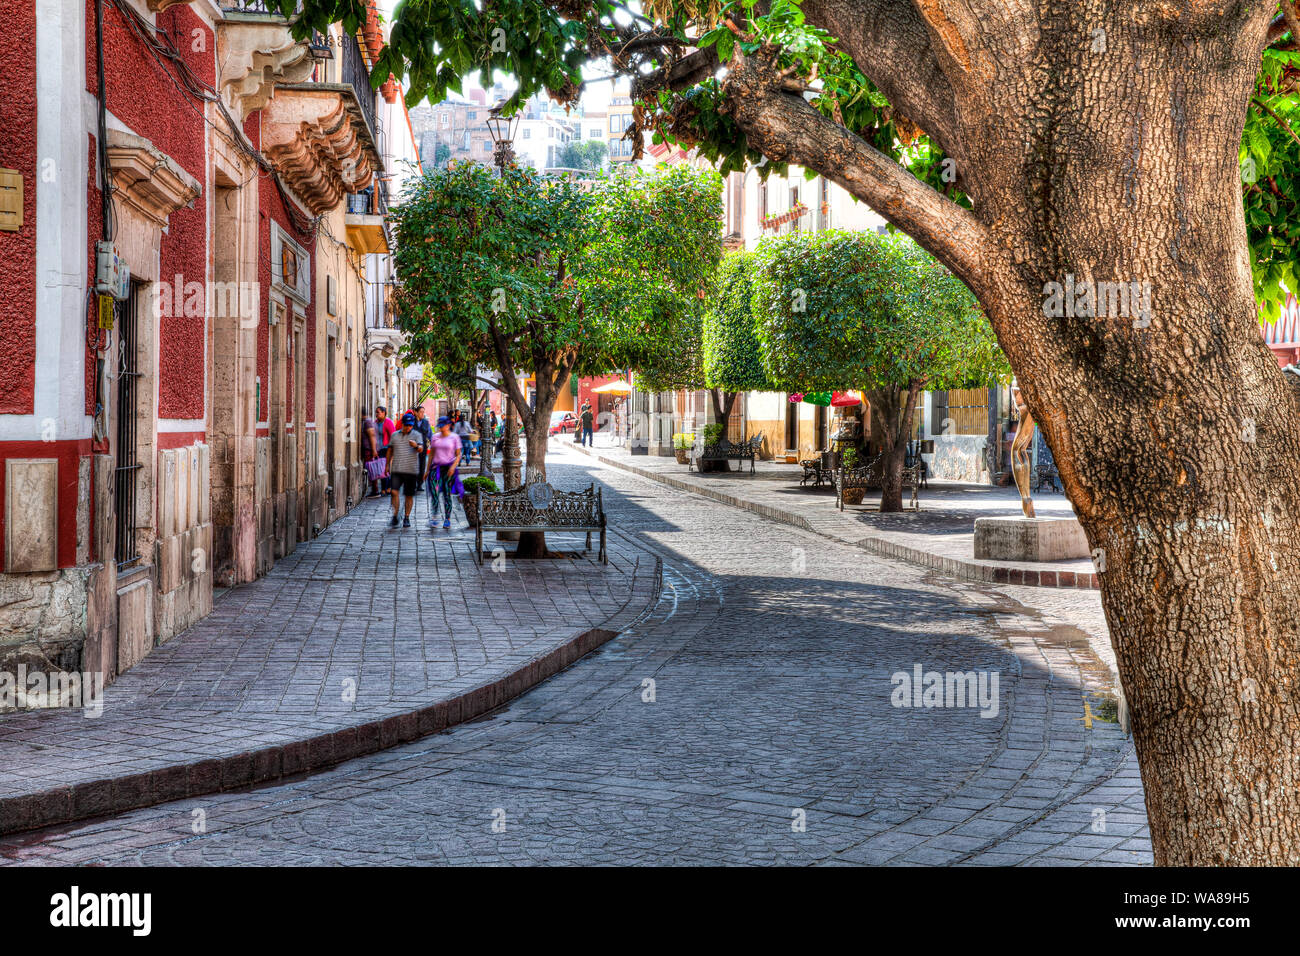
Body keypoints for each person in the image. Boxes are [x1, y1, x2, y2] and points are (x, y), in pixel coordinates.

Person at [386, 412, 426, 529]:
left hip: (411, 470)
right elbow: (390, 450)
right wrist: (387, 465)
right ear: (402, 424)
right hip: (397, 469)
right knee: (394, 492)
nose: (408, 427)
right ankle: (395, 515)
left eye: (410, 425)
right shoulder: (394, 436)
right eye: (406, 425)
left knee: (409, 495)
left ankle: (407, 517)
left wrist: (415, 446)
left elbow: (421, 449)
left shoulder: (417, 435)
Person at [428, 416, 464, 530]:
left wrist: (453, 467)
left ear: (448, 425)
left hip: (449, 469)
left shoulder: (454, 437)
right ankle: (434, 516)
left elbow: (458, 454)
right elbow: (431, 454)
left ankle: (447, 518)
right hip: (436, 468)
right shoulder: (435, 437)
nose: (441, 428)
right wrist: (427, 470)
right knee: (435, 493)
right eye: (440, 426)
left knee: (447, 494)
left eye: (443, 425)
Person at [374, 406, 396, 492]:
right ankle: (384, 488)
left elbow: (393, 436)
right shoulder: (375, 422)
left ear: (384, 413)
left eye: (378, 412)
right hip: (378, 449)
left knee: (386, 468)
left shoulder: (388, 422)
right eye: (376, 412)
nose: (376, 414)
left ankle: (388, 487)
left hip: (387, 449)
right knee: (380, 469)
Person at [360, 408, 380, 497]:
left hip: (369, 450)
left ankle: (375, 490)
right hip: (369, 449)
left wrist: (374, 450)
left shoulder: (367, 422)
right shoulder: (368, 421)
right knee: (371, 469)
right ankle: (374, 489)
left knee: (372, 470)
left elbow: (372, 435)